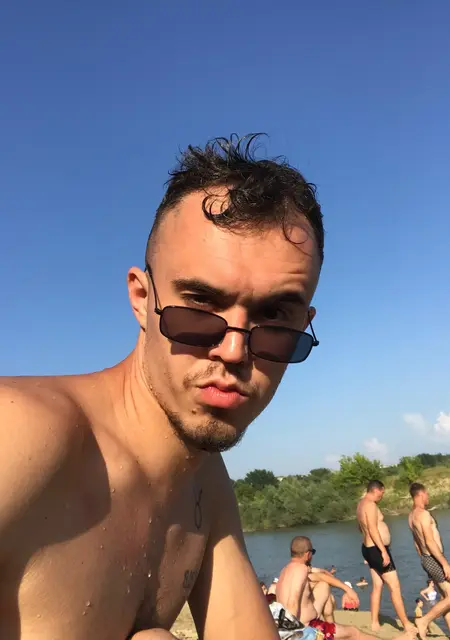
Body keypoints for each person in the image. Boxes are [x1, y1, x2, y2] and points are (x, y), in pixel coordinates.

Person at [0, 134, 325, 639]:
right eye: (199, 306)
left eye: (275, 318)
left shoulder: (204, 484)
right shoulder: (22, 432)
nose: (234, 351)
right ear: (141, 299)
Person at [273, 536, 415, 640]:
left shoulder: (285, 571)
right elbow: (292, 602)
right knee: (354, 633)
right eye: (313, 553)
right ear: (307, 554)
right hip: (305, 631)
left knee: (323, 587)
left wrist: (347, 589)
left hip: (300, 626)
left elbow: (321, 578)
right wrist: (295, 634)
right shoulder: (301, 569)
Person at [356, 480, 415, 633]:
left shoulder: (361, 504)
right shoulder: (370, 505)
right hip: (377, 550)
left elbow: (360, 527)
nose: (382, 495)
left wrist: (370, 547)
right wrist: (383, 551)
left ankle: (374, 622)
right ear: (377, 490)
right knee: (395, 587)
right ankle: (406, 624)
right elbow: (372, 528)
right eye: (382, 492)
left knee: (377, 585)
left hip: (368, 548)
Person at [408, 482, 450, 638]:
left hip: (426, 559)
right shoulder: (423, 514)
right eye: (427, 494)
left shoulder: (411, 516)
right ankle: (424, 621)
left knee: (445, 598)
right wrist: (444, 563)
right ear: (421, 494)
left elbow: (417, 543)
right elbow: (429, 542)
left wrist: (425, 561)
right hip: (434, 558)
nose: (428, 497)